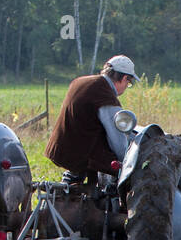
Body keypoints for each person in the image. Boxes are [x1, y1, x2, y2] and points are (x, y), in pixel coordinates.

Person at [45, 55, 140, 186]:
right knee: (125, 170)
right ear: (124, 78)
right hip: (82, 155)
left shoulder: (80, 81)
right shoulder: (105, 96)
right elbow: (117, 141)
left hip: (60, 148)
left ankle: (72, 181)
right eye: (128, 83)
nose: (126, 87)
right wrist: (129, 163)